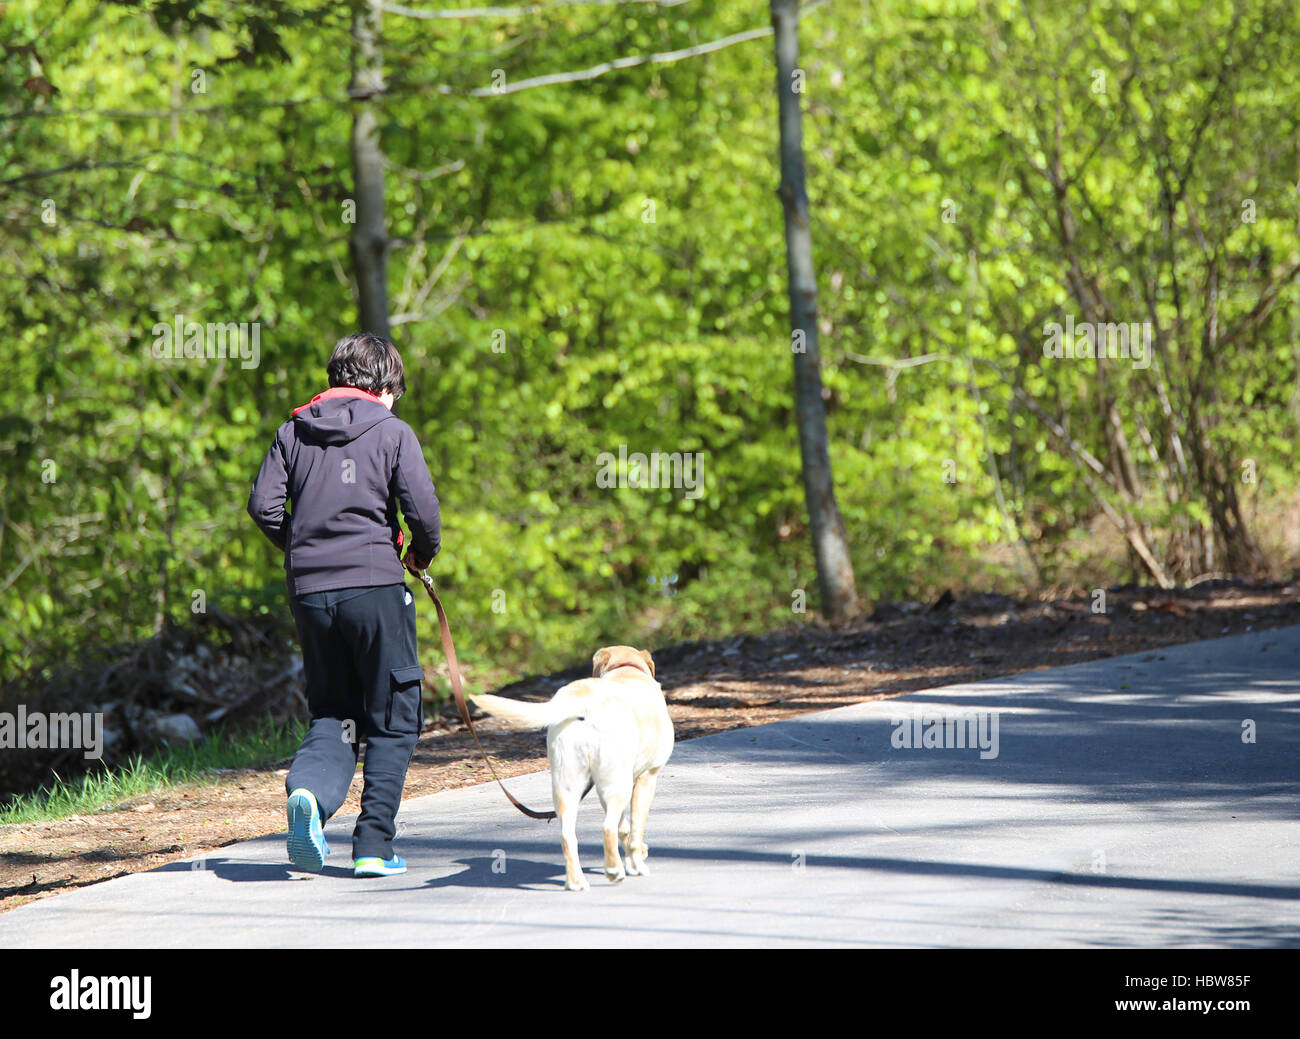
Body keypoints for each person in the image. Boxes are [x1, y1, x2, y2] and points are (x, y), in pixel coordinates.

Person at [247, 331, 440, 877]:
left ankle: (308, 792)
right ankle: (374, 844)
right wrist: (420, 556)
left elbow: (263, 506)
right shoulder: (393, 432)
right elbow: (423, 513)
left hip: (310, 593)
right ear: (382, 386)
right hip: (377, 586)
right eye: (395, 392)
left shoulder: (292, 431)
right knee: (393, 713)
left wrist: (304, 548)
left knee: (334, 710)